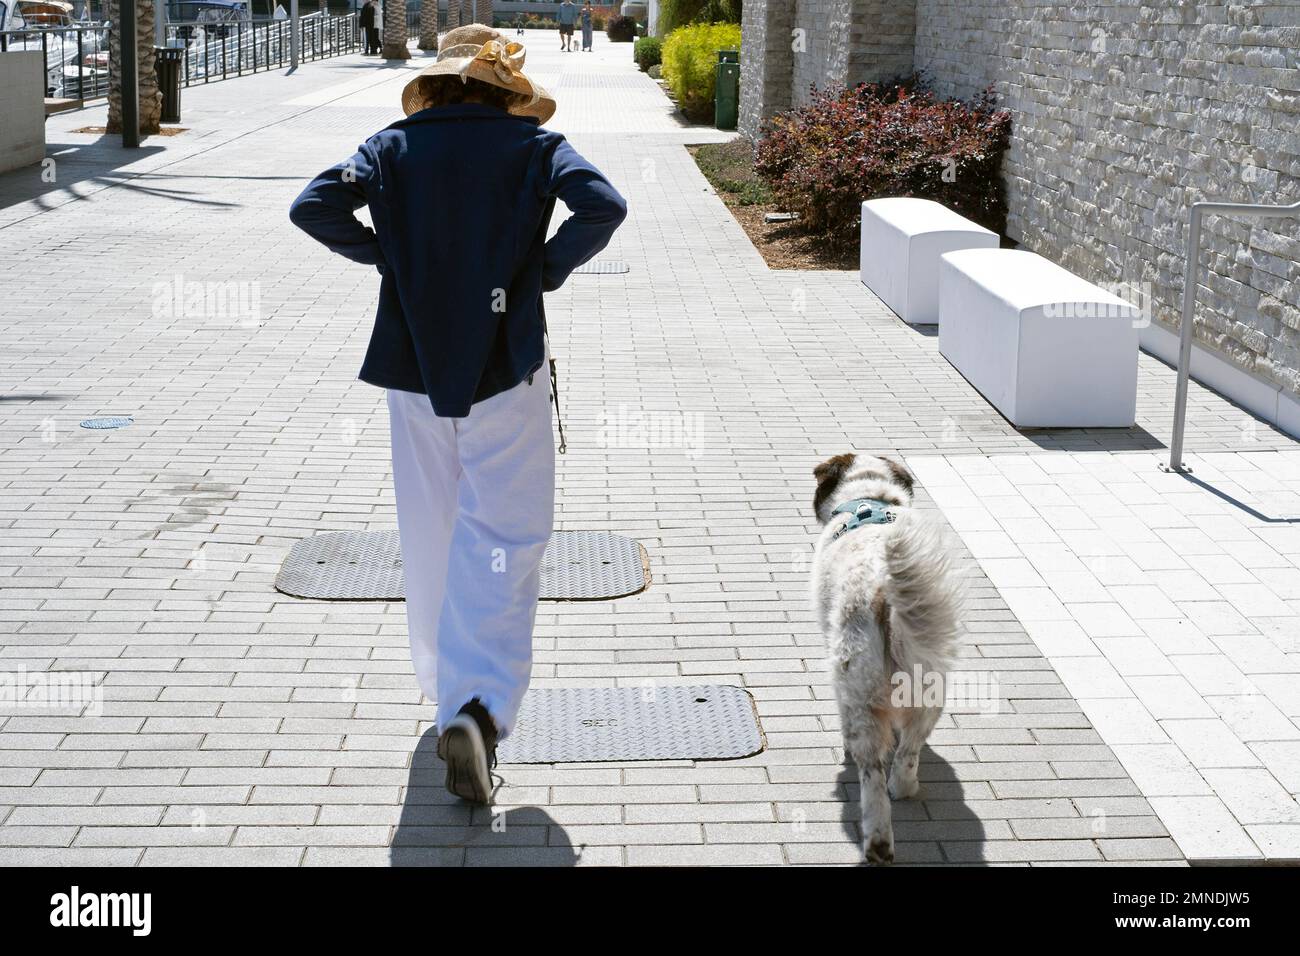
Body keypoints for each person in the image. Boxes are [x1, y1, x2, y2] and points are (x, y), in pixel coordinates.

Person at [288, 25, 627, 804]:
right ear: (505, 90)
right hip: (505, 364)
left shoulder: (391, 144)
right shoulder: (534, 148)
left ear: (439, 84)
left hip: (411, 369)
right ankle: (477, 708)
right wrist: (542, 269)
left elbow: (313, 207)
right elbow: (604, 206)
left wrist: (387, 257)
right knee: (506, 533)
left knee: (430, 523)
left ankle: (444, 689)